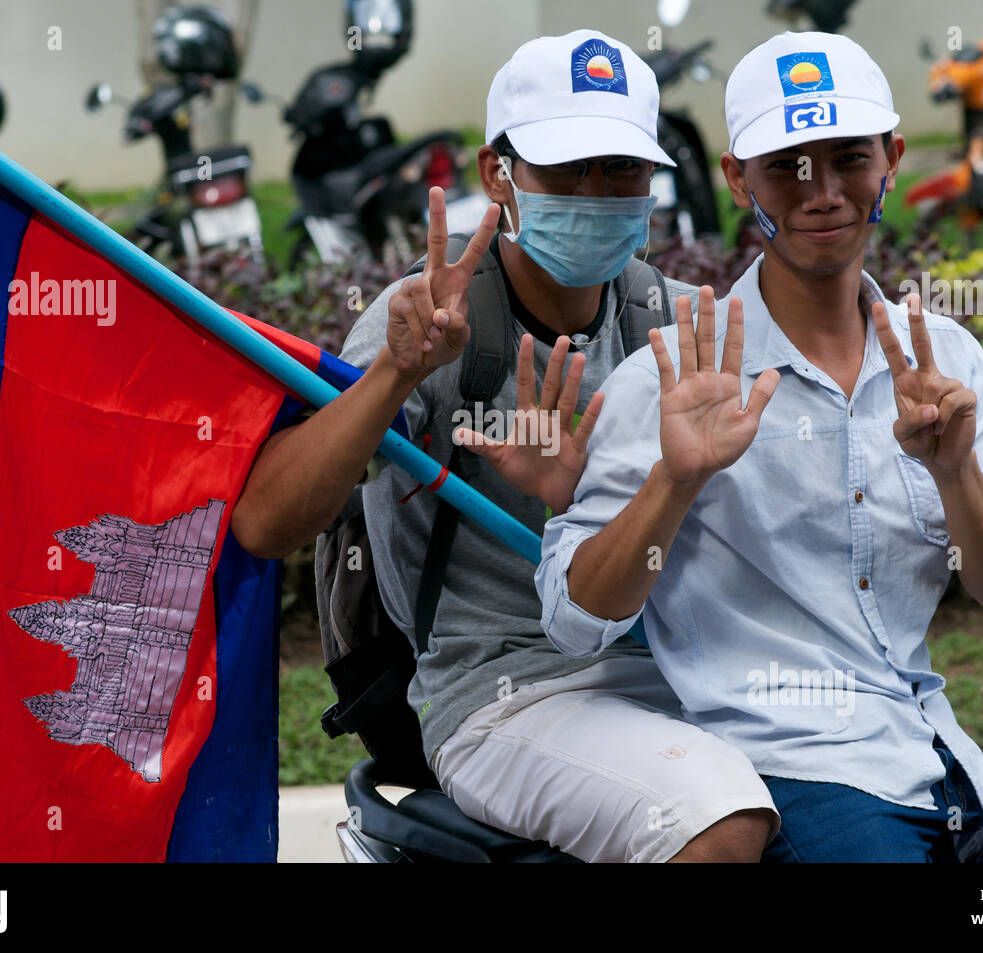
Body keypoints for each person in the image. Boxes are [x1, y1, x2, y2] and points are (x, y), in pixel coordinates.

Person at [231, 30, 779, 863]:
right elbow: (266, 523)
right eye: (567, 170)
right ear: (498, 173)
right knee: (719, 823)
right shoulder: (428, 318)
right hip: (504, 692)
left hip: (679, 670)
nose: (597, 194)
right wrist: (397, 373)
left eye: (621, 170)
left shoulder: (673, 321)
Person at [536, 31, 983, 862]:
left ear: (893, 160)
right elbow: (572, 621)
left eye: (849, 158)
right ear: (738, 178)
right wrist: (675, 478)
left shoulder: (945, 359)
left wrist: (955, 474)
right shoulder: (674, 376)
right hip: (794, 774)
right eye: (788, 167)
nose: (824, 193)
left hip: (947, 766)